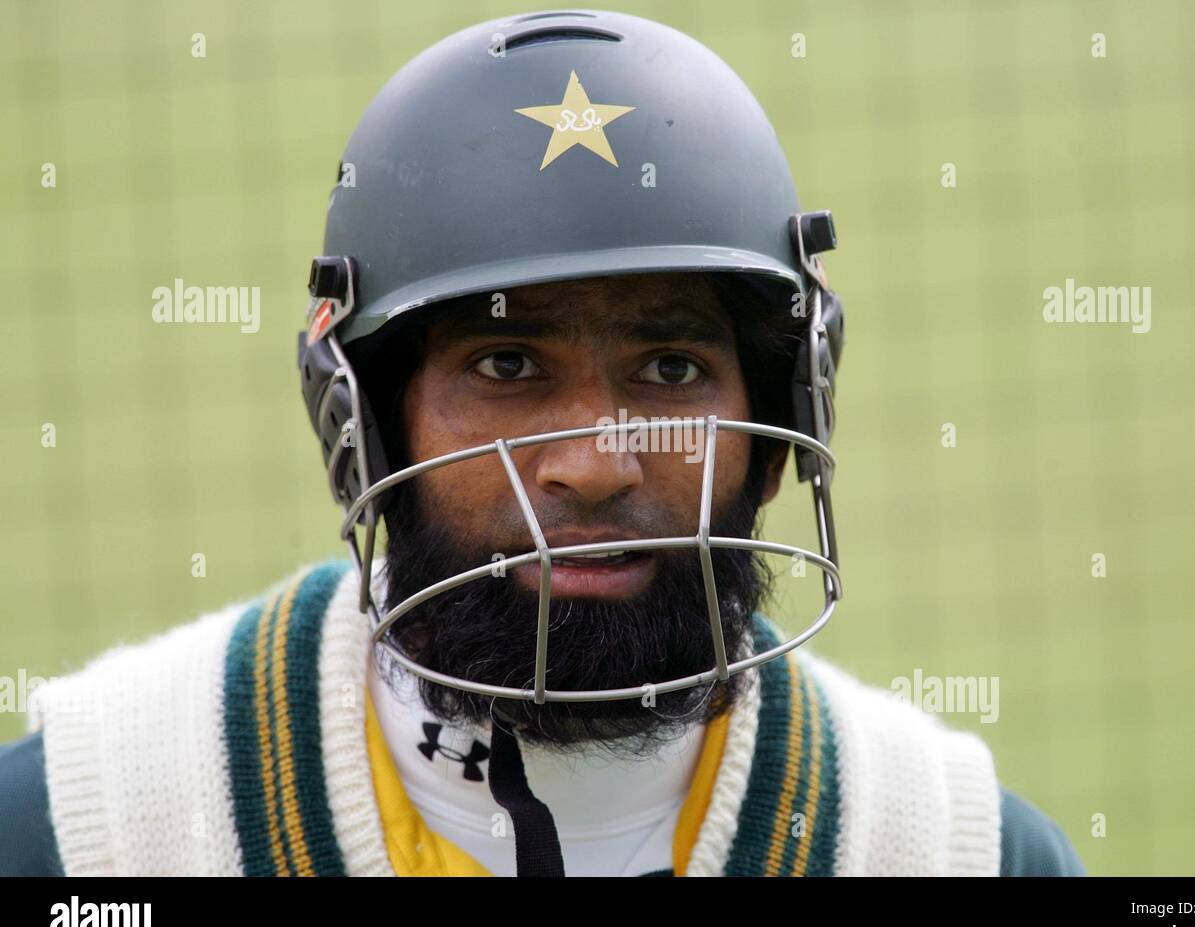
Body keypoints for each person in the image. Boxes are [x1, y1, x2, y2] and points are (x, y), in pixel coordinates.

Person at [0, 9, 1083, 877]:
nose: (596, 464)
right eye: (505, 369)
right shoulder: (88, 833)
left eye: (670, 369)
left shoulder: (950, 850)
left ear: (786, 412)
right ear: (364, 421)